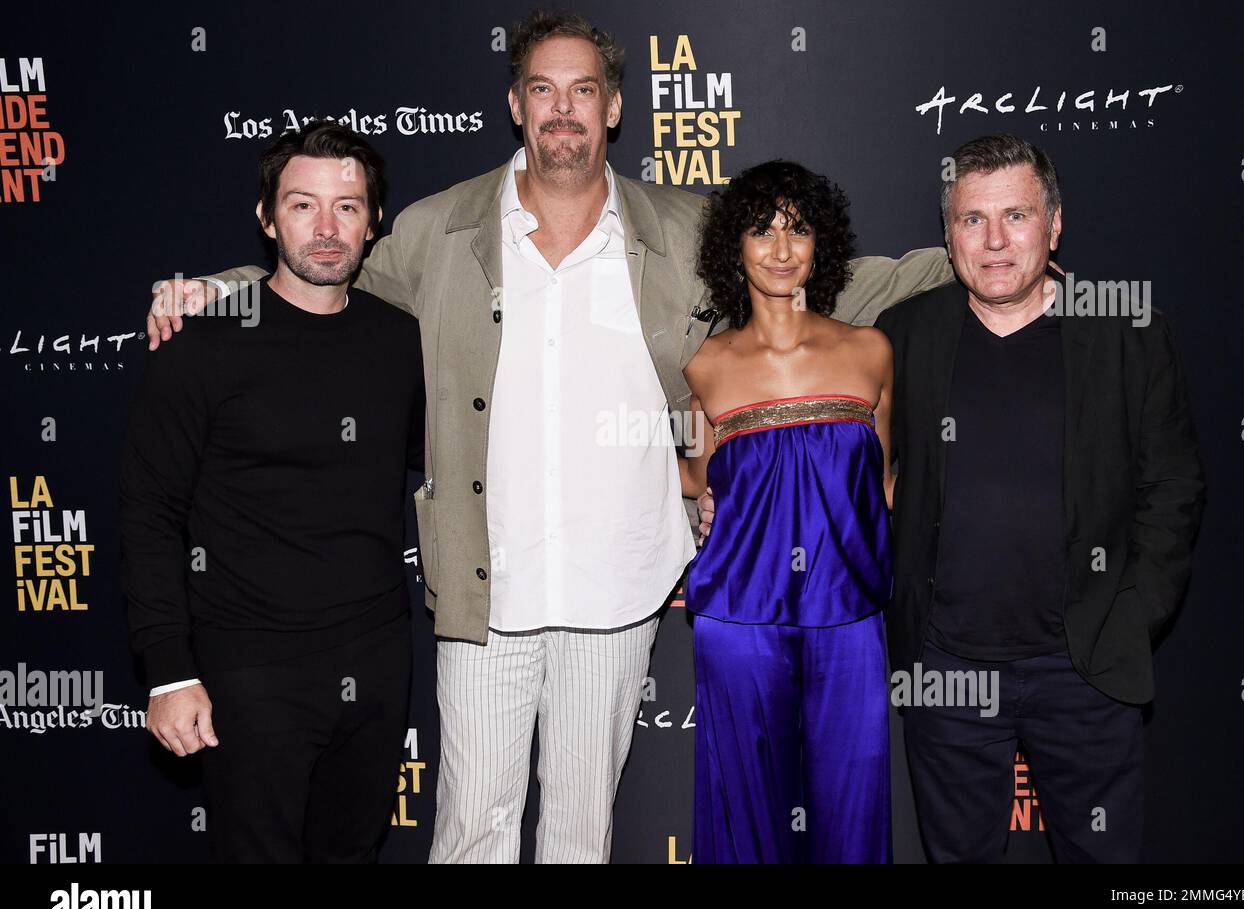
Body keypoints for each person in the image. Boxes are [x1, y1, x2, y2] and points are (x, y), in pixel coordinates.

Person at [143, 11, 953, 864]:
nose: (562, 109)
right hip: (489, 592)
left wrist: (976, 264)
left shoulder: (683, 231)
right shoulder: (439, 228)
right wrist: (217, 287)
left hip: (619, 588)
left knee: (579, 836)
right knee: (472, 830)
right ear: (515, 105)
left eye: (583, 90)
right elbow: (325, 271)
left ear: (612, 109)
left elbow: (839, 279)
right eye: (542, 89)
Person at [875, 133, 1205, 862]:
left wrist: (1129, 619)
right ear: (947, 231)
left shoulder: (1130, 332)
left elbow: (1173, 487)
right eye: (972, 220)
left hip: (1085, 668)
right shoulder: (902, 337)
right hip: (947, 671)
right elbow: (853, 474)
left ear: (1054, 224)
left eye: (1016, 216)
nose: (994, 241)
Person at [121, 120, 423, 862]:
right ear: (266, 217)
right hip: (249, 668)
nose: (326, 228)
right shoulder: (200, 344)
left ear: (374, 220)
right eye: (301, 205)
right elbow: (150, 513)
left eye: (347, 207)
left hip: (377, 658)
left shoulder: (402, 340)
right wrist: (170, 671)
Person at [679, 161, 894, 863]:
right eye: (761, 229)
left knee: (853, 815)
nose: (779, 248)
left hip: (850, 617)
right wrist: (697, 508)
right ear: (731, 246)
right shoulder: (704, 366)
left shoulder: (869, 353)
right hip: (738, 620)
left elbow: (882, 488)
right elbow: (690, 476)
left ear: (820, 244)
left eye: (797, 229)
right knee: (745, 819)